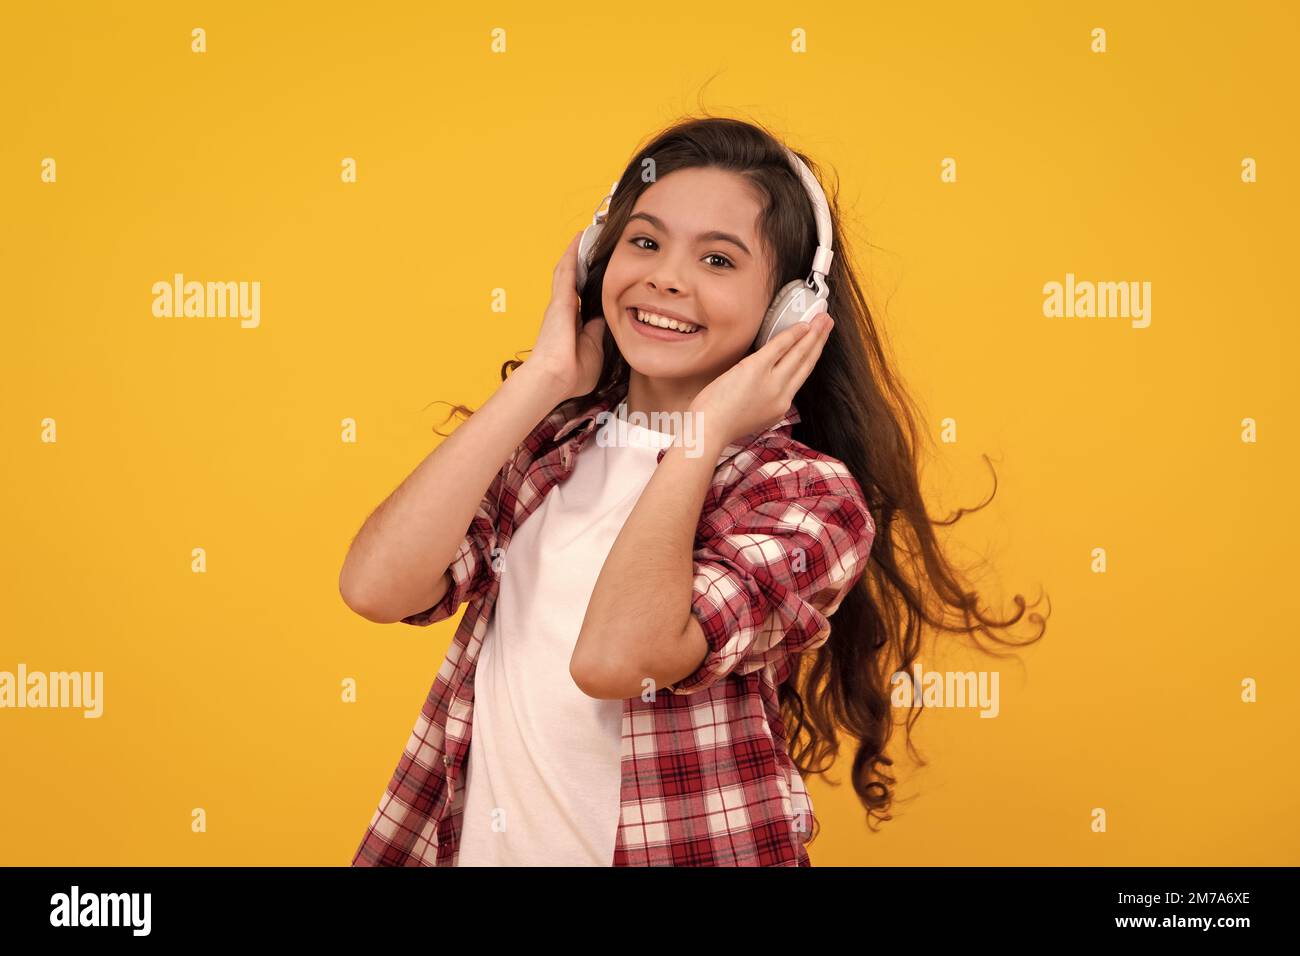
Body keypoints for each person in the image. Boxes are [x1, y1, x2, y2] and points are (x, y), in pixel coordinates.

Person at [340, 115, 1047, 867]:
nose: (667, 278)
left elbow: (617, 659)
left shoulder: (804, 497)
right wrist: (544, 379)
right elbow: (375, 587)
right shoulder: (546, 447)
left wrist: (700, 434)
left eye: (717, 259)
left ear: (789, 312)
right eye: (644, 242)